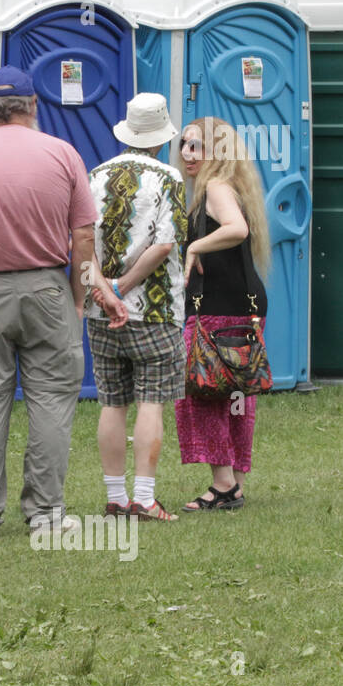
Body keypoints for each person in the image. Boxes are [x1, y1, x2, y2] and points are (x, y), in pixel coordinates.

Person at [0, 65, 126, 539]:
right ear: (33, 105)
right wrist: (78, 296)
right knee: (53, 402)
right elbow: (82, 235)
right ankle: (46, 515)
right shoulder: (62, 153)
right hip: (48, 289)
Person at [87, 93, 188, 522]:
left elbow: (77, 244)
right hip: (156, 309)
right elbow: (165, 244)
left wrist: (105, 290)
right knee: (151, 401)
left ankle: (115, 497)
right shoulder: (170, 179)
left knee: (112, 402)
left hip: (100, 312)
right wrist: (126, 285)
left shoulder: (93, 175)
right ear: (162, 137)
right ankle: (144, 499)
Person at [174, 117, 271, 511]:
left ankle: (223, 485)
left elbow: (236, 229)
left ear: (217, 151)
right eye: (183, 144)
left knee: (202, 393)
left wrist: (195, 248)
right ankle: (234, 483)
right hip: (244, 307)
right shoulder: (229, 186)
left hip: (217, 310)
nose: (186, 153)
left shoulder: (214, 188)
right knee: (235, 395)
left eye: (196, 146)